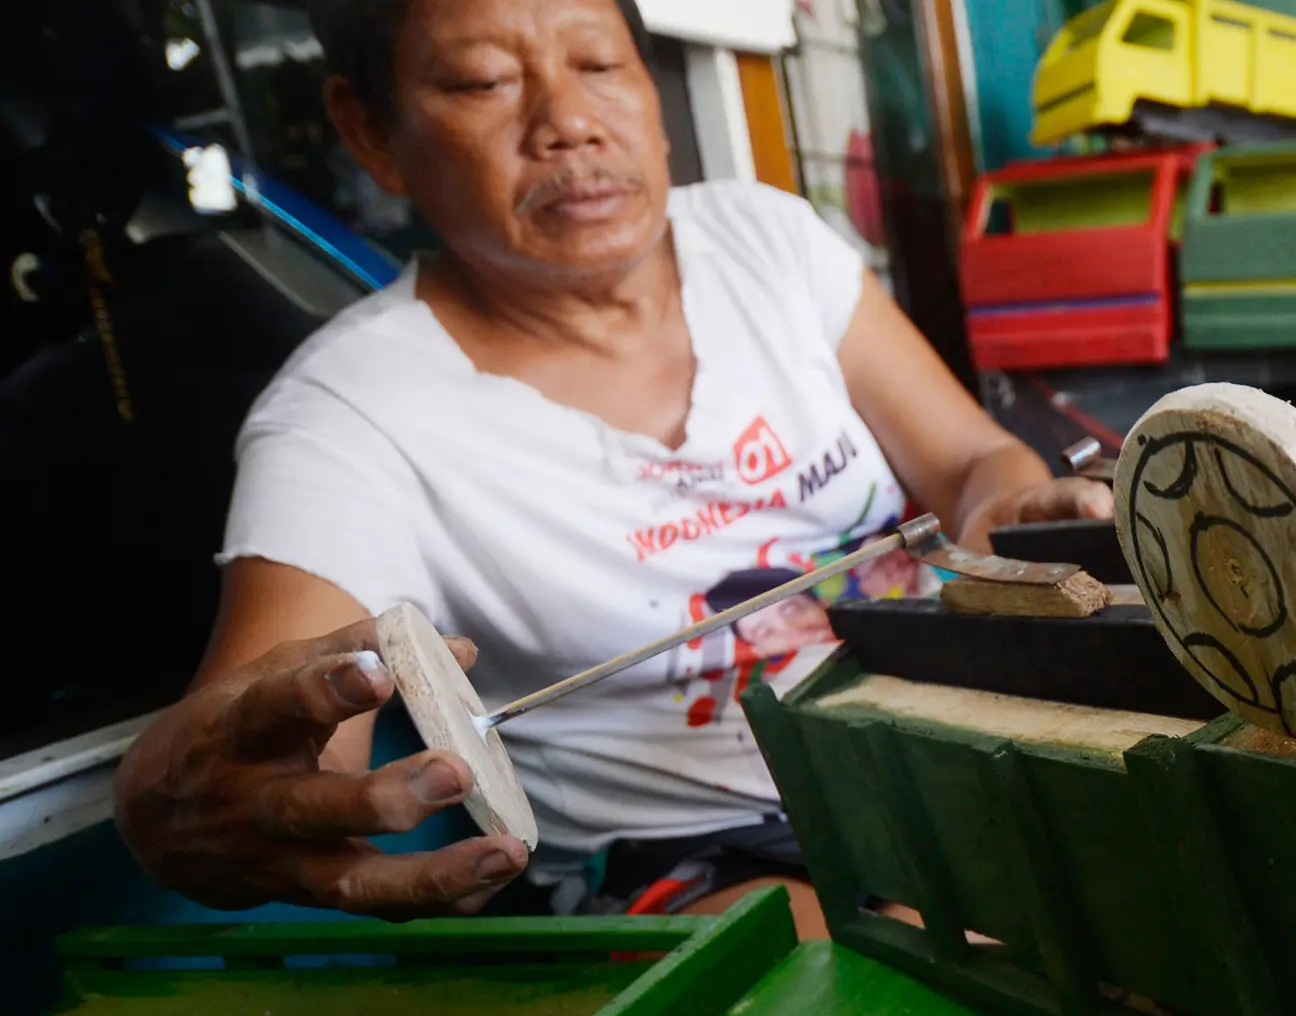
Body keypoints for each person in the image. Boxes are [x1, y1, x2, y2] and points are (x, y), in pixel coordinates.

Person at [112, 0, 1110, 936]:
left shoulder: (765, 241)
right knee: (862, 950)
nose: (567, 123)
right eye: (481, 83)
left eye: (599, 65)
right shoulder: (348, 418)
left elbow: (972, 461)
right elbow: (274, 732)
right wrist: (194, 792)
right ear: (371, 134)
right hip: (705, 864)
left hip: (940, 750)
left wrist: (1013, 513)